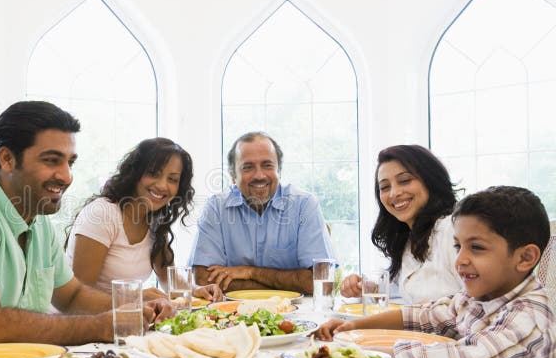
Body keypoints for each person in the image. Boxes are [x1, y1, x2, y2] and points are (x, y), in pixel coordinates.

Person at [0, 101, 174, 349]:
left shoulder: (37, 221)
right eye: (51, 161)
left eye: (70, 163)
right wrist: (99, 326)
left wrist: (135, 307)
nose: (66, 176)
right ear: (7, 158)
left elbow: (72, 297)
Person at [316, 186, 555, 358]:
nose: (460, 260)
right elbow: (423, 315)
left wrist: (353, 350)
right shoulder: (480, 296)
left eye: (477, 248)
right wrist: (354, 326)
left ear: (525, 257)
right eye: (457, 246)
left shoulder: (529, 319)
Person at [66, 138, 222, 302]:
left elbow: (171, 281)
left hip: (122, 320)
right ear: (135, 173)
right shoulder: (102, 214)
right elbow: (79, 296)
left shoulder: (155, 221)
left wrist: (197, 290)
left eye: (173, 179)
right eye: (154, 173)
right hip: (84, 323)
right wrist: (135, 297)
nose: (162, 186)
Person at [188, 131, 334, 294]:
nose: (259, 175)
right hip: (231, 313)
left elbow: (322, 283)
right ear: (233, 175)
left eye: (267, 165)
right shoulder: (216, 207)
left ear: (279, 170)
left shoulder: (305, 204)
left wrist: (251, 272)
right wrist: (289, 282)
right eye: (248, 167)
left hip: (298, 313)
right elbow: (202, 280)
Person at [340, 145, 462, 304]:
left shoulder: (452, 230)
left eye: (404, 181)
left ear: (430, 180)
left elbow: (477, 303)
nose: (394, 193)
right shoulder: (408, 238)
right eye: (384, 187)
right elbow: (404, 296)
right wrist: (366, 287)